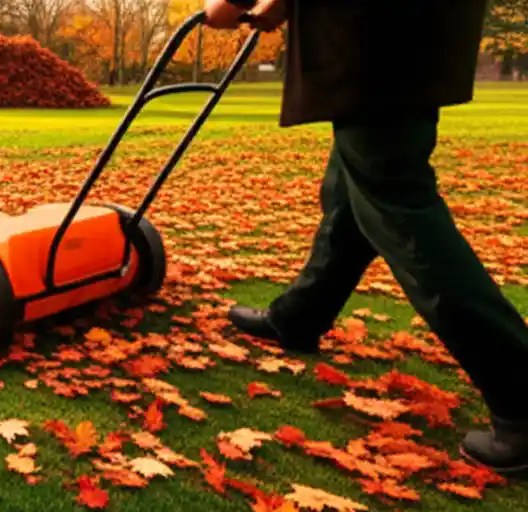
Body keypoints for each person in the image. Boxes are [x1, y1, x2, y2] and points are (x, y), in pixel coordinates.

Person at [203, 0, 528, 473]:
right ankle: (299, 316)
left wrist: (235, 3)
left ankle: (520, 393)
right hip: (409, 32)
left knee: (398, 207)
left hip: (378, 35)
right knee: (351, 189)